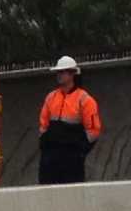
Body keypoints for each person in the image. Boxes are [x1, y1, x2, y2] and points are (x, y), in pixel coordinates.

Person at [37, 54, 102, 185]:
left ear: (72, 74)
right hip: (50, 160)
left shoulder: (84, 99)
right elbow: (43, 125)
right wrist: (45, 145)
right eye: (58, 72)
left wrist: (79, 152)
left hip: (71, 160)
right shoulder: (51, 97)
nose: (59, 75)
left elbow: (94, 130)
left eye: (62, 72)